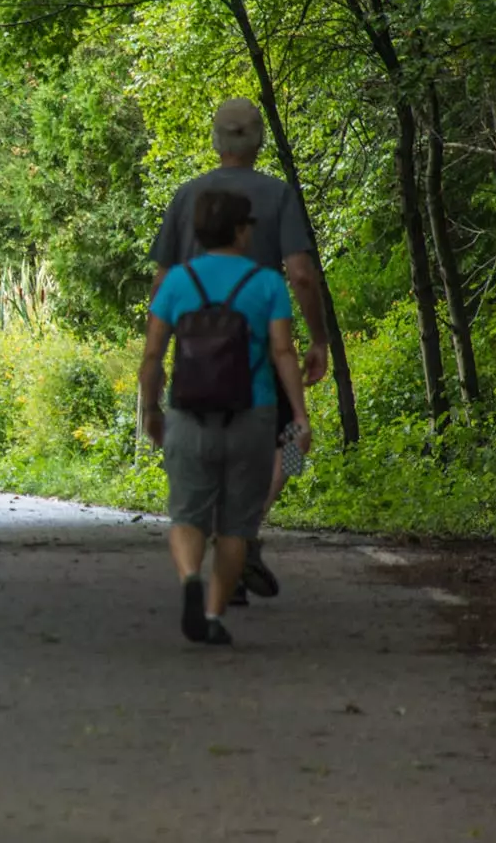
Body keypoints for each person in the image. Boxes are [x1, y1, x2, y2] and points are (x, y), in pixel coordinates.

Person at [148, 97, 329, 603]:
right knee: (292, 444)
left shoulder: (187, 196)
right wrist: (318, 338)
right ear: (260, 141)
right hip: (261, 356)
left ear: (215, 140)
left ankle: (226, 542)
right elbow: (301, 274)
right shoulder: (277, 195)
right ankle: (246, 530)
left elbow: (162, 282)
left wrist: (157, 357)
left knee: (205, 452)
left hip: (194, 357)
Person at [139, 189, 311, 645]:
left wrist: (150, 410)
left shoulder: (178, 281)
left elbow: (153, 354)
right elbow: (284, 346)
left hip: (191, 409)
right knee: (248, 509)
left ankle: (194, 580)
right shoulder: (268, 279)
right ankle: (224, 593)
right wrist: (301, 410)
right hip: (254, 406)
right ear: (241, 230)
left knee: (187, 514)